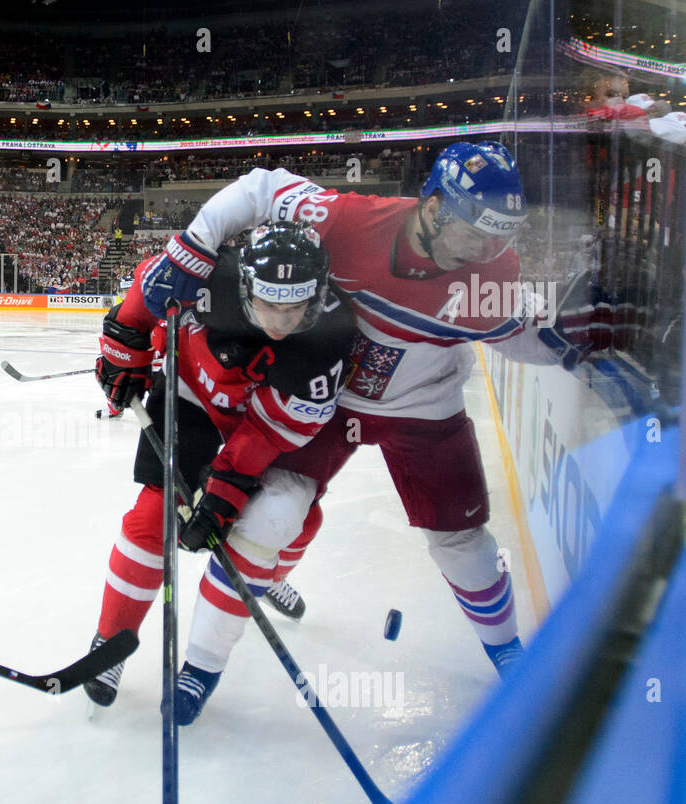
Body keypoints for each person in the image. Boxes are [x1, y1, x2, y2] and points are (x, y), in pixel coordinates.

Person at [137, 143, 588, 717]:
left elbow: (519, 333)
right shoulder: (352, 221)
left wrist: (579, 347)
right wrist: (193, 246)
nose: (488, 249)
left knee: (462, 544)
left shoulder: (492, 272)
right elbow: (258, 188)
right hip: (328, 399)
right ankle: (200, 665)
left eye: (498, 235)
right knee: (272, 514)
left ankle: (508, 652)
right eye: (476, 232)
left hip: (425, 407)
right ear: (434, 209)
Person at [84, 222, 357, 723]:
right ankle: (113, 641)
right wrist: (126, 352)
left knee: (285, 522)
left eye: (294, 308)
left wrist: (222, 497)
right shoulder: (205, 275)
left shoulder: (328, 342)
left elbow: (266, 435)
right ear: (246, 285)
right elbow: (147, 289)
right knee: (153, 518)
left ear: (316, 297)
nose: (280, 320)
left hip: (265, 420)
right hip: (194, 397)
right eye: (269, 304)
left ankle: (255, 589)